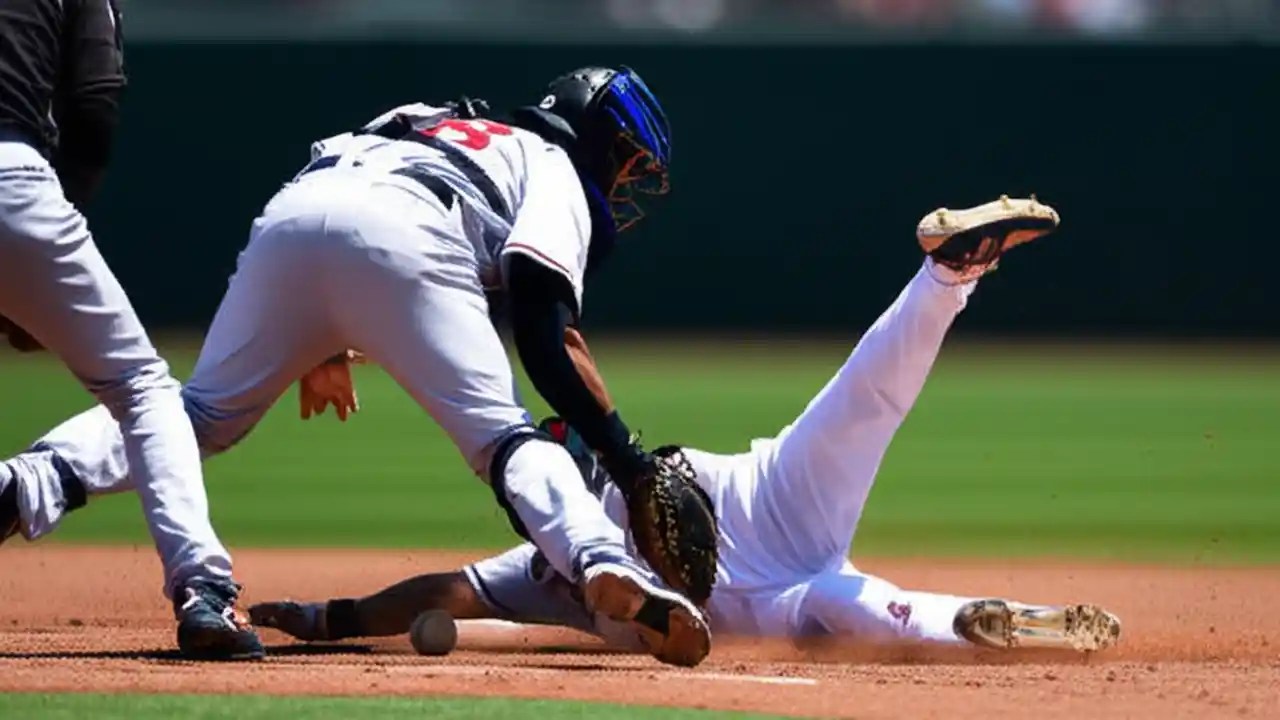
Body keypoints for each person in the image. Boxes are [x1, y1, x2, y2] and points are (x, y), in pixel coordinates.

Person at [0, 67, 712, 667]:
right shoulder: (553, 166)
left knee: (192, 414)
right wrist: (627, 462)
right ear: (594, 139)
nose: (624, 182)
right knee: (505, 440)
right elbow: (542, 328)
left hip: (294, 216)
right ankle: (598, 560)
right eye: (626, 161)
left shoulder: (431, 115)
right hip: (413, 231)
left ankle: (26, 481)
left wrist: (327, 334)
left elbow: (341, 202)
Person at [250, 197, 1123, 654]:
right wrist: (332, 617)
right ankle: (947, 279)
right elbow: (444, 592)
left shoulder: (549, 560)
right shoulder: (563, 531)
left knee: (844, 609)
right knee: (867, 408)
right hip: (761, 496)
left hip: (748, 569)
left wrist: (335, 619)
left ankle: (958, 618)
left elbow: (442, 593)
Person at [0, 0, 262, 660]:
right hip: (12, 176)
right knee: (144, 389)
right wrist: (49, 243)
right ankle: (203, 590)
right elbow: (93, 105)